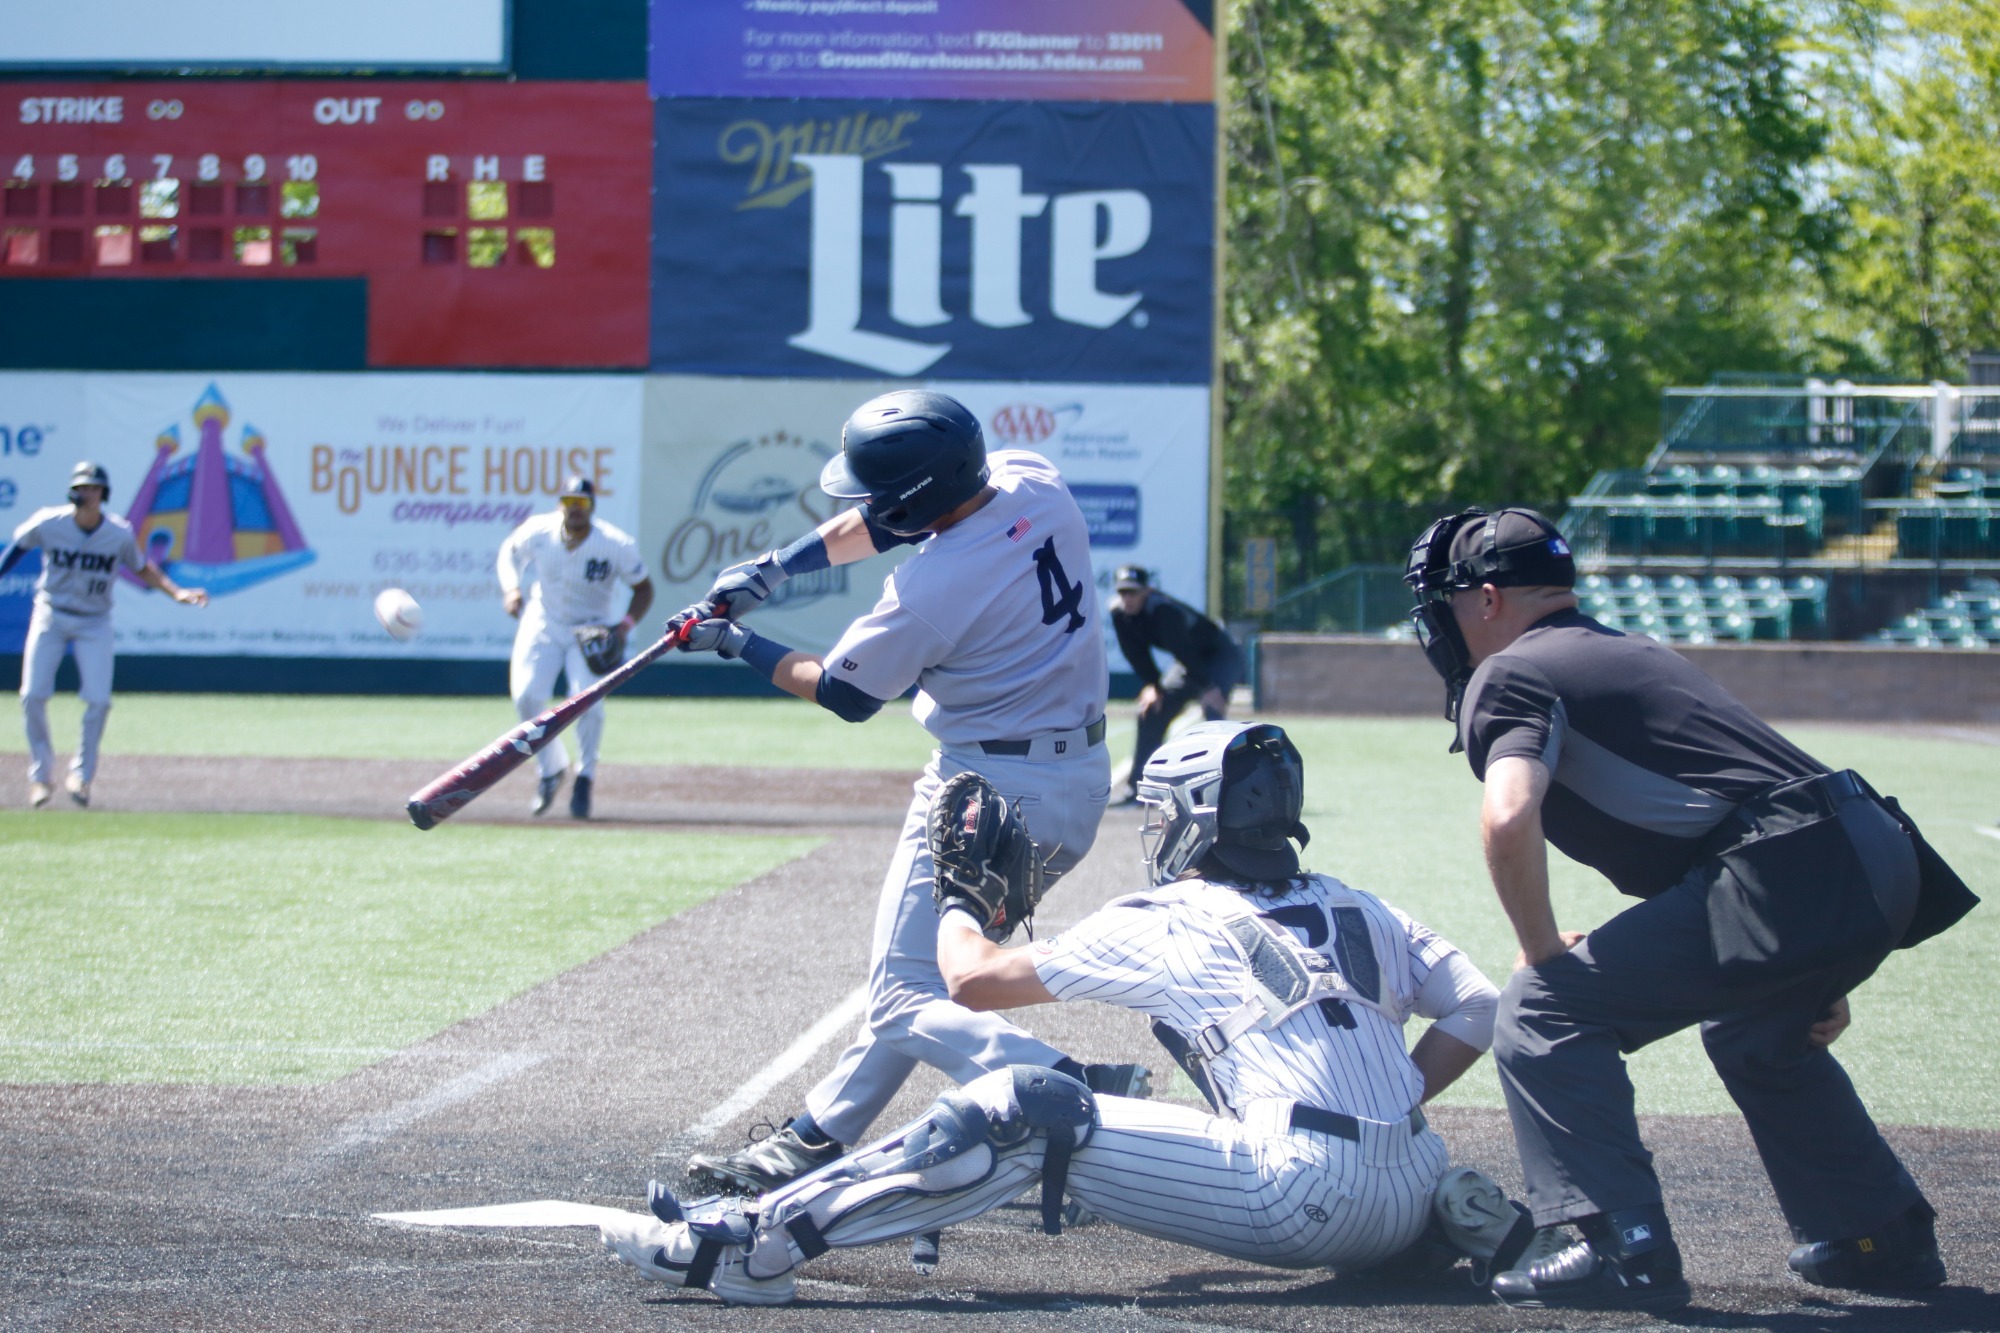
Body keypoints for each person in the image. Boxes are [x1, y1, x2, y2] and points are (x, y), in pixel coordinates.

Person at [597, 721, 1528, 1306]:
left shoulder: (1172, 915)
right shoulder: (1363, 904)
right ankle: (1440, 1225)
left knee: (1020, 1104)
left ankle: (745, 1248)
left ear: (1194, 820)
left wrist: (958, 890)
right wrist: (1393, 1098)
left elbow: (973, 981)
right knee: (1057, 1107)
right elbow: (1482, 1006)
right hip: (1413, 1185)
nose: (1153, 828)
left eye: (1162, 812)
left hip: (1300, 1196)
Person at [1401, 507, 1978, 1312]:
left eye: (1449, 601)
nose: (1442, 622)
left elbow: (1508, 814)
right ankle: (1880, 1236)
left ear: (1489, 599)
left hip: (1792, 870)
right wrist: (1814, 959)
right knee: (1758, 1033)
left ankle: (1615, 1247)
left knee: (1541, 1009)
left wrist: (1539, 946)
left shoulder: (1514, 670)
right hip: (1868, 847)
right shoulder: (1624, 645)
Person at [666, 390, 1145, 1196]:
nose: (867, 505)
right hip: (1076, 786)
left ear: (916, 496)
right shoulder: (1035, 482)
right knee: (919, 981)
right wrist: (779, 568)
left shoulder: (934, 585)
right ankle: (816, 1138)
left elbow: (847, 695)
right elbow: (898, 516)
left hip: (985, 791)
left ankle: (1083, 1093)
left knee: (899, 996)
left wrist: (734, 640)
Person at [3, 461, 207, 809]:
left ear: (104, 493)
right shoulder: (50, 522)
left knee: (98, 700)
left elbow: (143, 567)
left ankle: (81, 776)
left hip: (94, 621)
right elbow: (17, 549)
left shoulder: (118, 532)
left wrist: (176, 592)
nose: (88, 493)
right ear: (73, 491)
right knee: (32, 694)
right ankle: (40, 777)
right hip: (52, 613)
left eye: (94, 488)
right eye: (83, 487)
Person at [496, 475, 653, 820]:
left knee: (587, 704)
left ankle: (585, 776)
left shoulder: (615, 543)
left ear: (592, 507)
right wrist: (511, 588)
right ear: (560, 505)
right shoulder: (538, 531)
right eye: (569, 502)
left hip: (590, 629)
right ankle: (551, 768)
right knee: (526, 696)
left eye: (581, 503)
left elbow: (644, 588)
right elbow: (509, 552)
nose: (575, 509)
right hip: (544, 621)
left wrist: (624, 627)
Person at [1108, 564, 1245, 804]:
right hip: (1189, 662)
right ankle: (1141, 792)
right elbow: (1135, 653)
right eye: (1123, 593)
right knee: (1151, 711)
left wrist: (1208, 687)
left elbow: (1184, 649)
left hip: (1218, 655)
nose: (1127, 599)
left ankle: (1225, 794)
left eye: (1133, 592)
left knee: (1213, 718)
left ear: (1147, 591)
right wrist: (1153, 685)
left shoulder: (1163, 611)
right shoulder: (1120, 614)